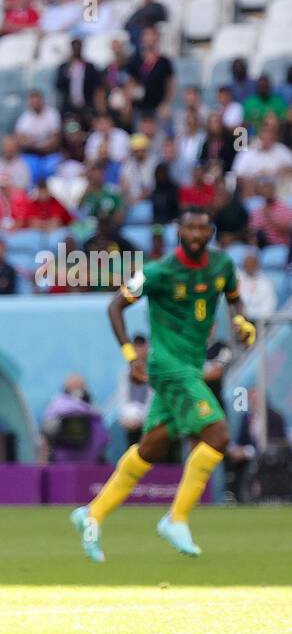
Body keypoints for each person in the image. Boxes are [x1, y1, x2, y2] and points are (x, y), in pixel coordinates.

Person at [72, 207, 257, 562]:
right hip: (168, 365)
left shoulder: (221, 267)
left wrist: (242, 323)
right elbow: (115, 306)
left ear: (211, 232)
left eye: (202, 227)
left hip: (190, 363)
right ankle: (177, 518)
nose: (196, 232)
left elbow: (234, 300)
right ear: (179, 232)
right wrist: (130, 355)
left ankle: (92, 513)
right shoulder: (158, 272)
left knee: (151, 448)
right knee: (217, 436)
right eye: (189, 226)